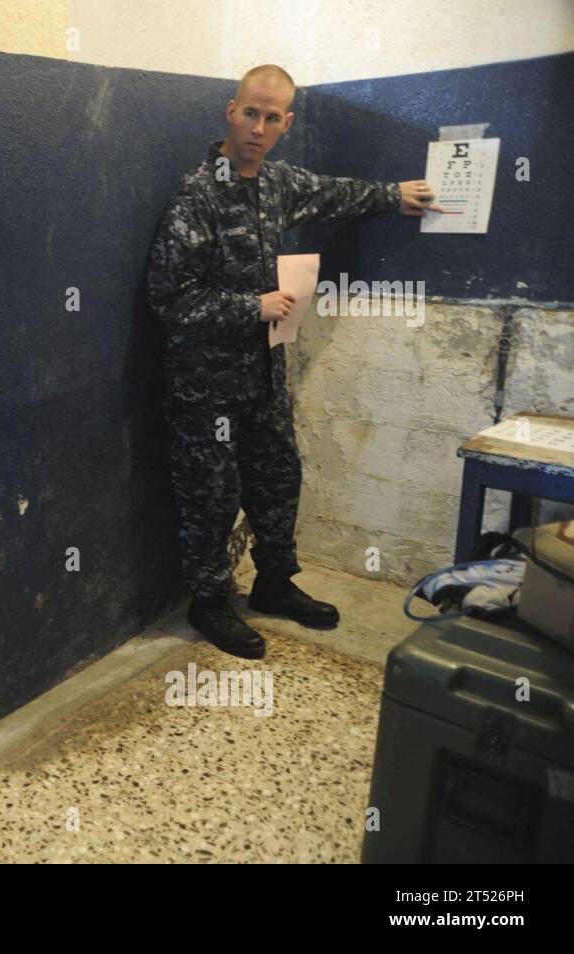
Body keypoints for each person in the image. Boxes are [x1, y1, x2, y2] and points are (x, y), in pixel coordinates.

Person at [146, 65, 443, 659]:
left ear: (287, 123)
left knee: (279, 477)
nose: (258, 127)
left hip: (263, 373)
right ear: (231, 111)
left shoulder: (278, 183)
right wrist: (250, 306)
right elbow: (168, 295)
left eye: (272, 117)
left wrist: (394, 196)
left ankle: (276, 584)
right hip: (205, 385)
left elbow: (336, 193)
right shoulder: (198, 192)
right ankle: (210, 602)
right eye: (250, 113)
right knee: (210, 495)